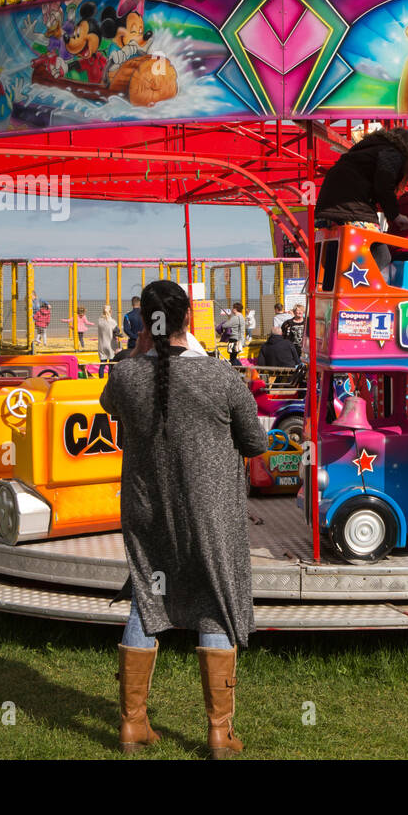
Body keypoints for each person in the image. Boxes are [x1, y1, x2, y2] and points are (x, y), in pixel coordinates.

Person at [99, 280, 268, 759]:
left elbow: (112, 405)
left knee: (147, 602)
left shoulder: (126, 375)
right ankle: (219, 733)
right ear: (189, 320)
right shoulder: (220, 376)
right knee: (213, 599)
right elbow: (255, 443)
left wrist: (139, 349)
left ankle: (133, 725)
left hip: (148, 509)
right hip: (209, 513)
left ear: (142, 325)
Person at [313, 126, 408, 273]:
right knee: (380, 255)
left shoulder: (364, 150)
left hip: (325, 212)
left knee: (335, 259)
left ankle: (332, 294)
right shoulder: (392, 152)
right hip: (353, 211)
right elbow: (384, 183)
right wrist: (395, 215)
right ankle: (360, 292)